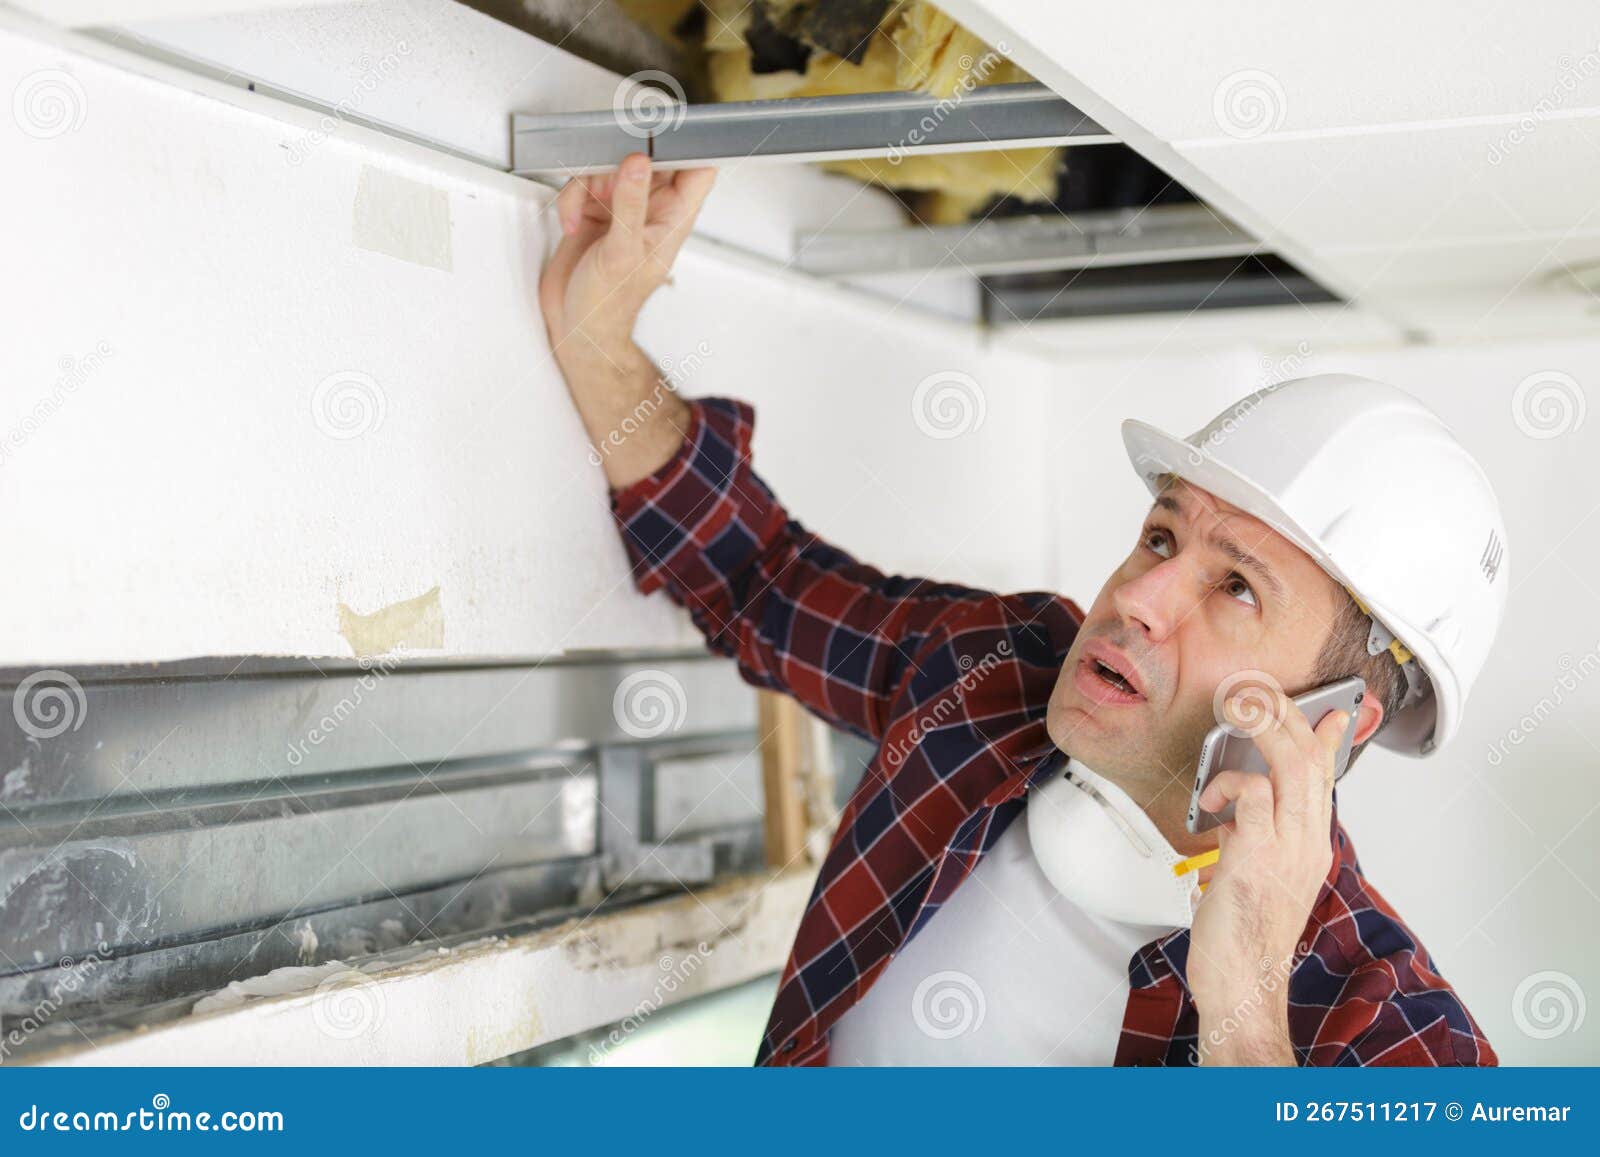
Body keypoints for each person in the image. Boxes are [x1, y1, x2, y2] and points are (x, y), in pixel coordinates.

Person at [540, 153, 1509, 1067]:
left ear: (1339, 720)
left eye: (1236, 587)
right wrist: (596, 338)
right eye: (1161, 537)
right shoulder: (990, 677)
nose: (1135, 597)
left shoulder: (1395, 1035)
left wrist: (1246, 1013)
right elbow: (759, 579)